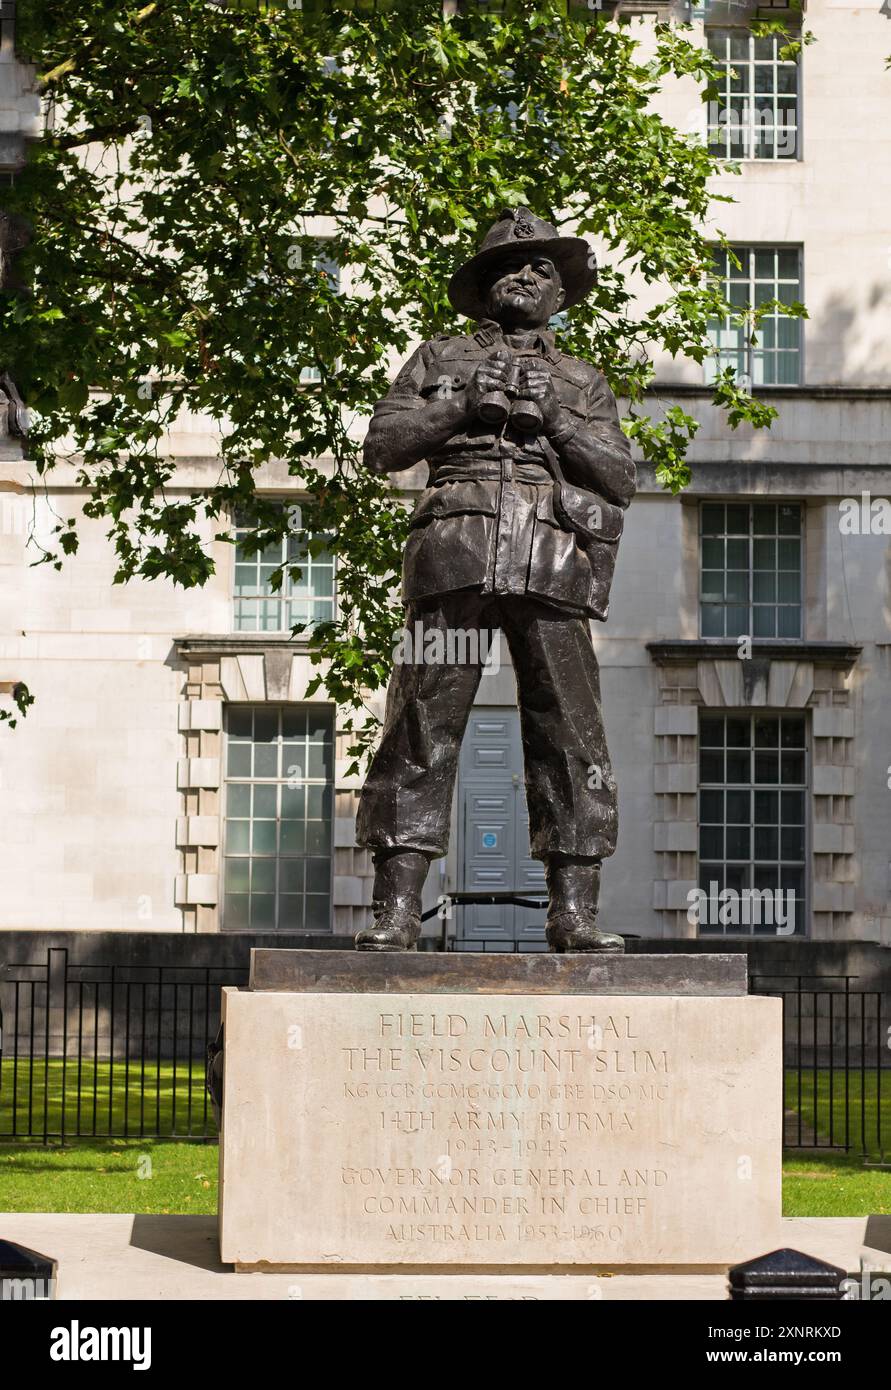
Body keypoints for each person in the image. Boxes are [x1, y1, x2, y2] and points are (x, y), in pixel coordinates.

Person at [355, 206, 636, 952]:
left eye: (540, 268)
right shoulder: (436, 356)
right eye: (505, 267)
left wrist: (558, 421)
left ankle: (572, 912)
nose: (521, 275)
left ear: (560, 294)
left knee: (569, 730)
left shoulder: (583, 378)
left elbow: (619, 476)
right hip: (456, 548)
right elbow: (380, 447)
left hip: (551, 557)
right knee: (421, 723)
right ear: (482, 287)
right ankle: (395, 911)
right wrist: (454, 404)